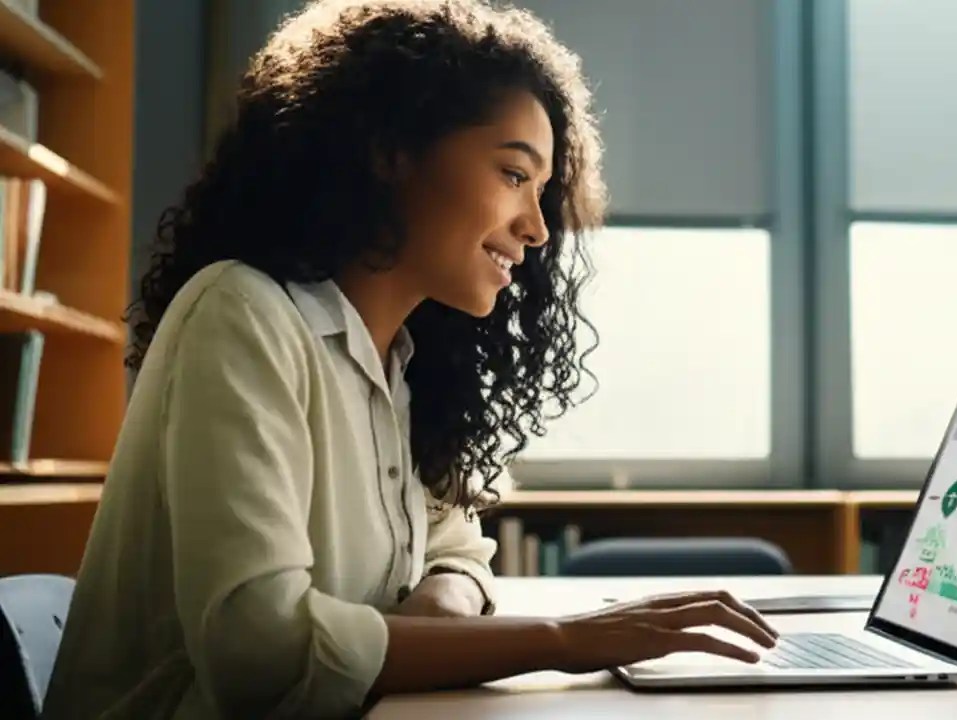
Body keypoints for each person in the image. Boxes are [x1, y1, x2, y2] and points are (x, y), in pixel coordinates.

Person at [41, 1, 777, 718]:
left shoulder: (403, 364)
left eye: (543, 191)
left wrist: (423, 617)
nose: (536, 227)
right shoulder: (243, 315)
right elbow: (260, 654)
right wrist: (565, 640)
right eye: (513, 175)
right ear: (390, 151)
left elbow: (460, 556)